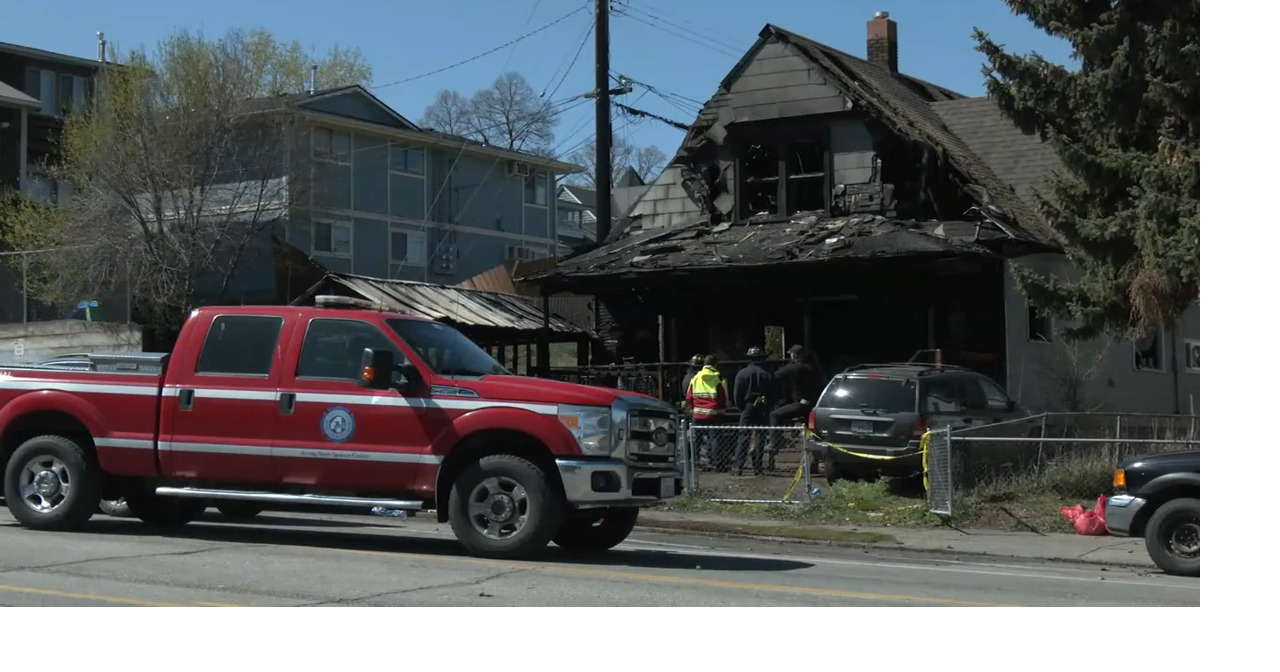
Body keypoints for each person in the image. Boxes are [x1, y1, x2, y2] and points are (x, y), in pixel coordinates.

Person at [768, 344, 822, 471]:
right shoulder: (813, 368)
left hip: (801, 405)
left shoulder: (793, 368)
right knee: (812, 431)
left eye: (791, 353)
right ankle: (814, 461)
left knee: (774, 415)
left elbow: (774, 377)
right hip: (813, 405)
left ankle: (774, 443)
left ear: (795, 355)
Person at [733, 346, 774, 475]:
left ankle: (738, 467)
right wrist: (768, 406)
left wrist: (742, 407)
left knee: (743, 436)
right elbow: (774, 393)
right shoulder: (767, 374)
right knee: (760, 437)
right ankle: (758, 467)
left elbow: (737, 395)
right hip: (763, 406)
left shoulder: (742, 373)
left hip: (747, 406)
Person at [685, 354, 729, 471]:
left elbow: (689, 397)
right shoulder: (717, 378)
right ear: (715, 365)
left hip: (697, 414)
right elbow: (722, 397)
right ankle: (716, 464)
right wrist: (722, 410)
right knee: (715, 439)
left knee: (696, 440)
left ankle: (692, 463)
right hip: (713, 414)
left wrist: (694, 408)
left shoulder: (696, 378)